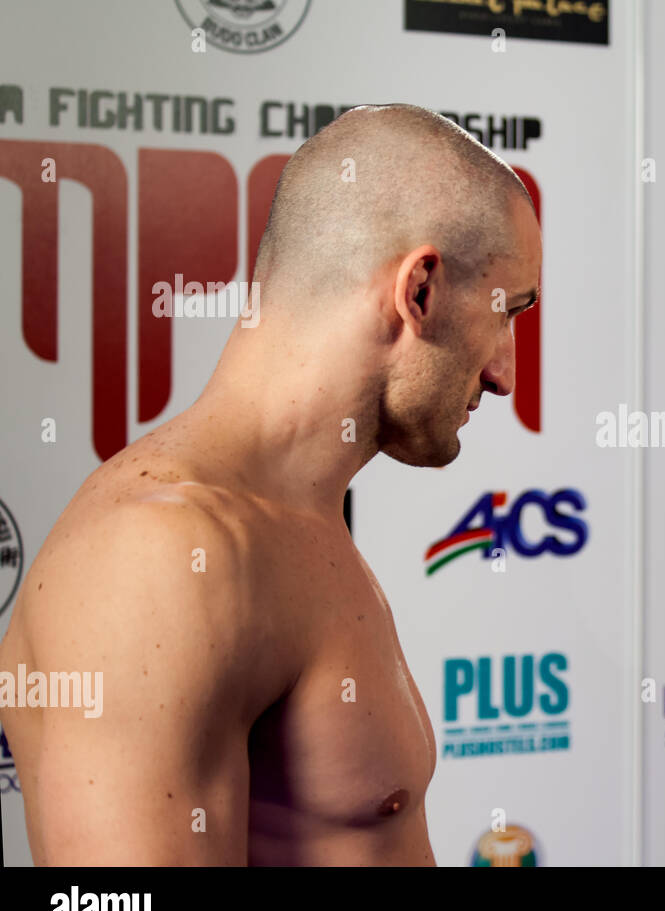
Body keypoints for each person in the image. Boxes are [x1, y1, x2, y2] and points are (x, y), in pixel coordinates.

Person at [0, 104, 541, 865]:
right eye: (505, 314)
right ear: (418, 291)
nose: (505, 374)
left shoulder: (301, 521)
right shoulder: (157, 557)